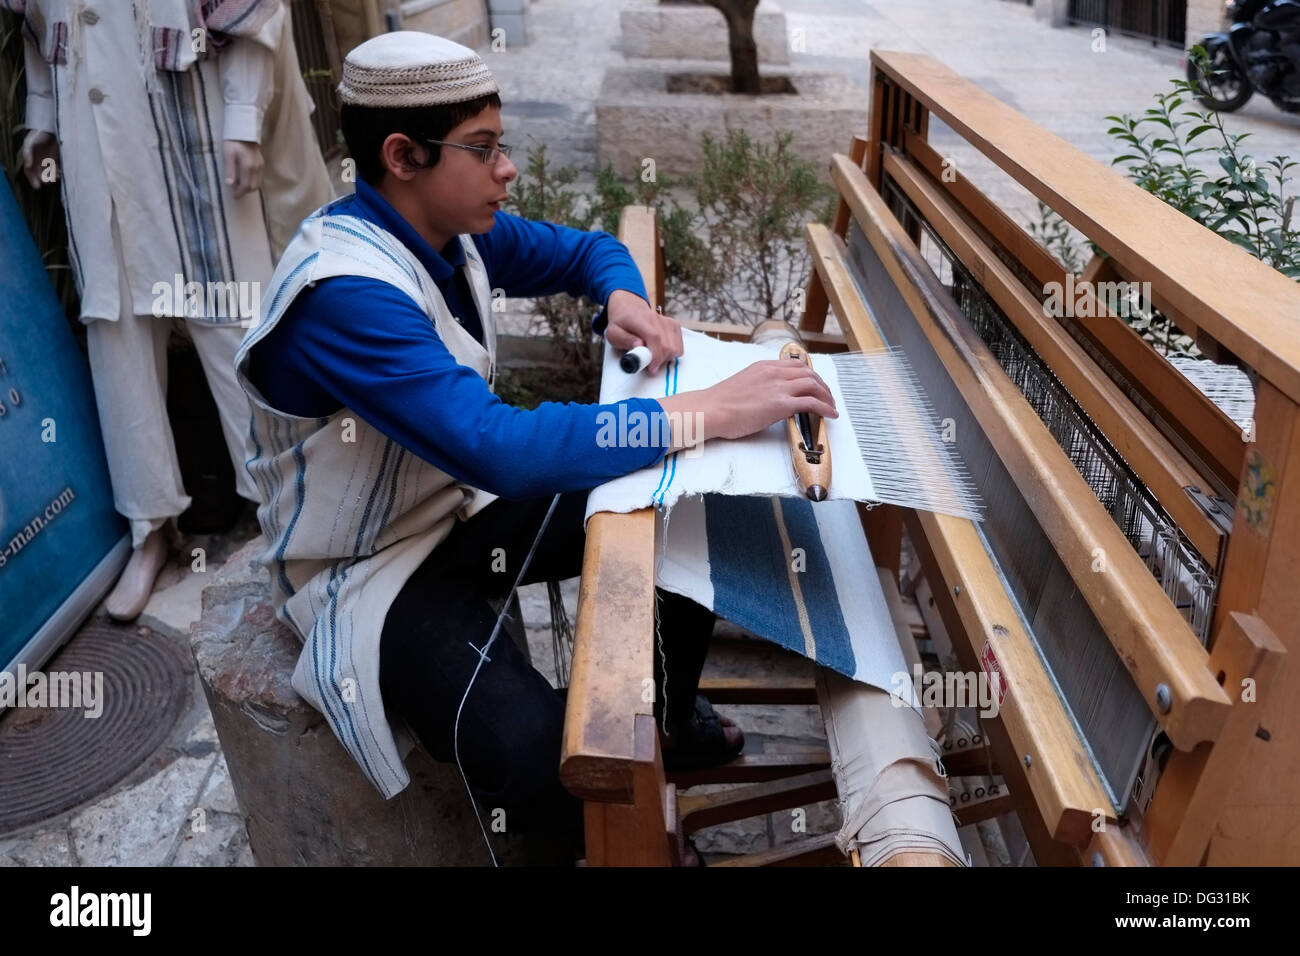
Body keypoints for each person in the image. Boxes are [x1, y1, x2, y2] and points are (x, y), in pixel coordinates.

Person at [234, 31, 837, 844]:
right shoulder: (345, 294)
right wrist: (708, 410)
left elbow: (591, 251)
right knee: (532, 757)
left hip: (453, 505)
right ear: (403, 155)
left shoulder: (454, 232)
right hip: (370, 561)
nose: (506, 169)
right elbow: (504, 449)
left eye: (502, 145)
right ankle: (592, 832)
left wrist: (621, 297)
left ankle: (661, 719)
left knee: (687, 501)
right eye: (482, 150)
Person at [12, 0, 332, 620]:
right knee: (116, 333)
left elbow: (247, 15)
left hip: (197, 142)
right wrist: (43, 117)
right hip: (90, 149)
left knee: (233, 321)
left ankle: (283, 516)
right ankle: (150, 526)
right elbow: (37, 28)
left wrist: (243, 120)